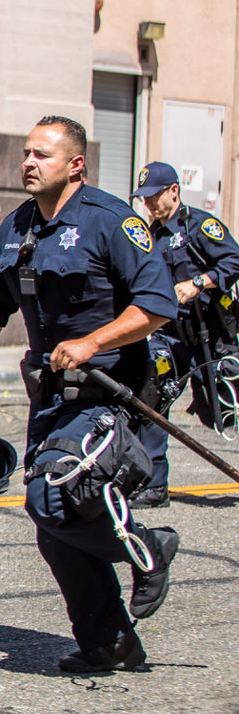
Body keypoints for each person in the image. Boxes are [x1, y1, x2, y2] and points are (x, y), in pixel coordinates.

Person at [0, 115, 179, 674]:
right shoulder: (16, 228)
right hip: (51, 397)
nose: (28, 163)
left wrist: (92, 340)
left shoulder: (112, 222)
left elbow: (156, 305)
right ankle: (109, 641)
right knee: (56, 529)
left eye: (43, 155)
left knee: (52, 496)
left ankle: (146, 546)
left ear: (75, 164)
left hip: (111, 392)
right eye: (26, 153)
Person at [130, 161, 239, 506]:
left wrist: (197, 284)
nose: (147, 204)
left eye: (153, 197)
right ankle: (153, 485)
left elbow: (234, 261)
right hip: (170, 337)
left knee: (226, 409)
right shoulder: (150, 235)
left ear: (173, 191)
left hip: (211, 336)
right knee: (153, 399)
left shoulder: (199, 226)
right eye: (143, 198)